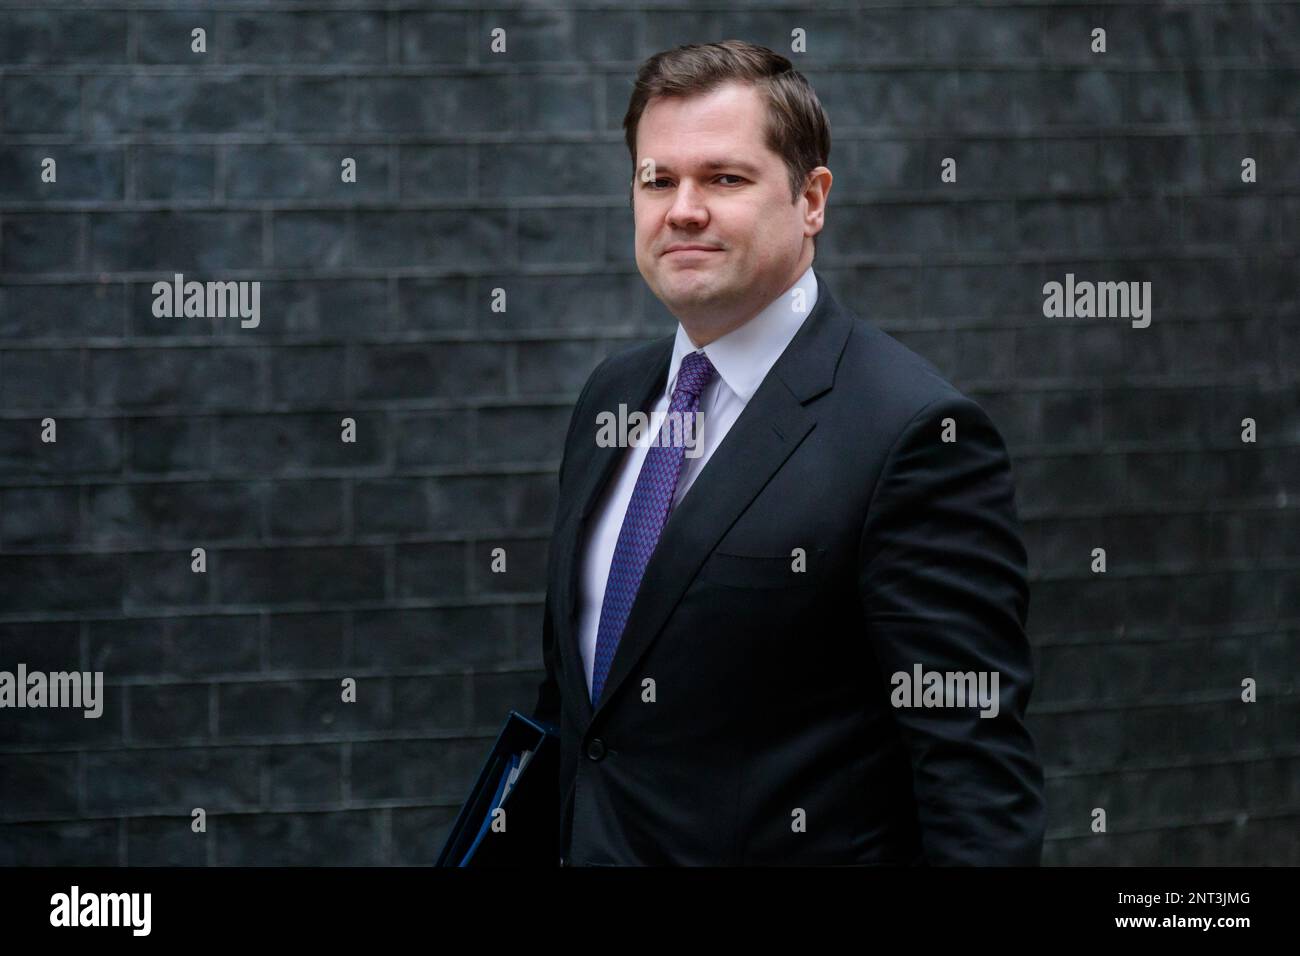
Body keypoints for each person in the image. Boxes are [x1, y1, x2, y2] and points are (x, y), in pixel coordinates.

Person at [531, 39, 1046, 866]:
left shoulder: (914, 438)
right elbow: (582, 717)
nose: (683, 209)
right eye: (657, 179)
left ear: (812, 200)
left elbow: (972, 774)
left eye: (724, 179)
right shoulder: (613, 399)